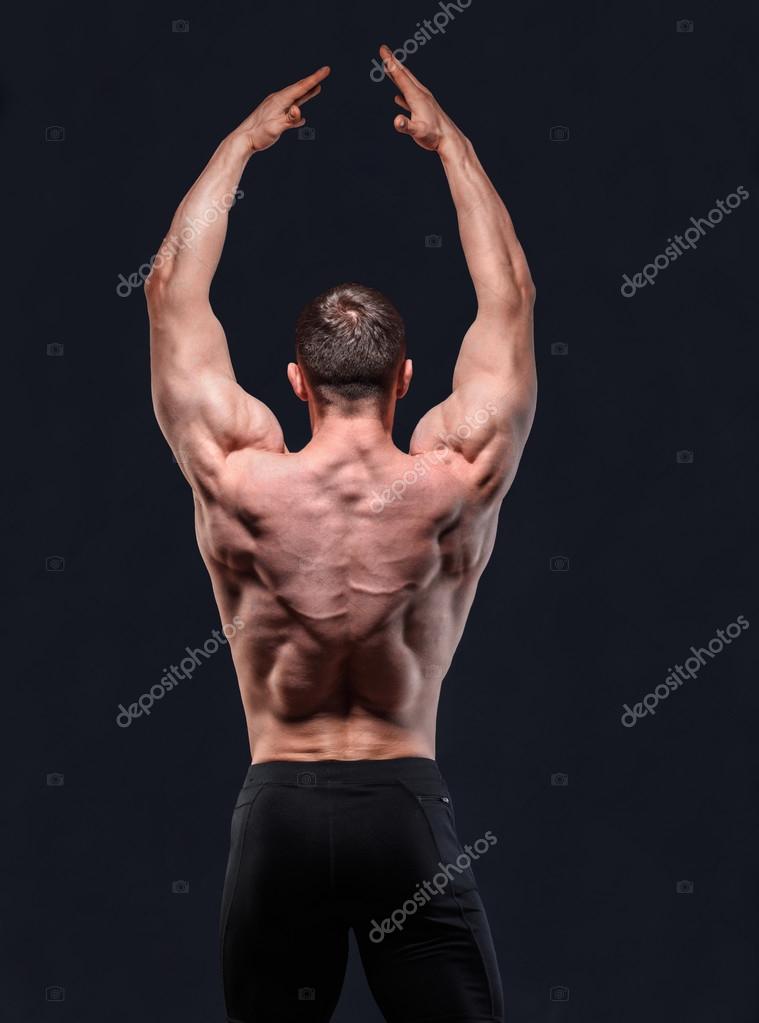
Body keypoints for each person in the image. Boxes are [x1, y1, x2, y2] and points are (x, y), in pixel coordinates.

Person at [146, 45, 536, 1023]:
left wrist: (241, 145)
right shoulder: (452, 474)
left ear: (294, 383)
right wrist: (453, 147)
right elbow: (513, 299)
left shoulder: (239, 474)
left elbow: (167, 293)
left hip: (278, 811)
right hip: (405, 808)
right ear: (409, 381)